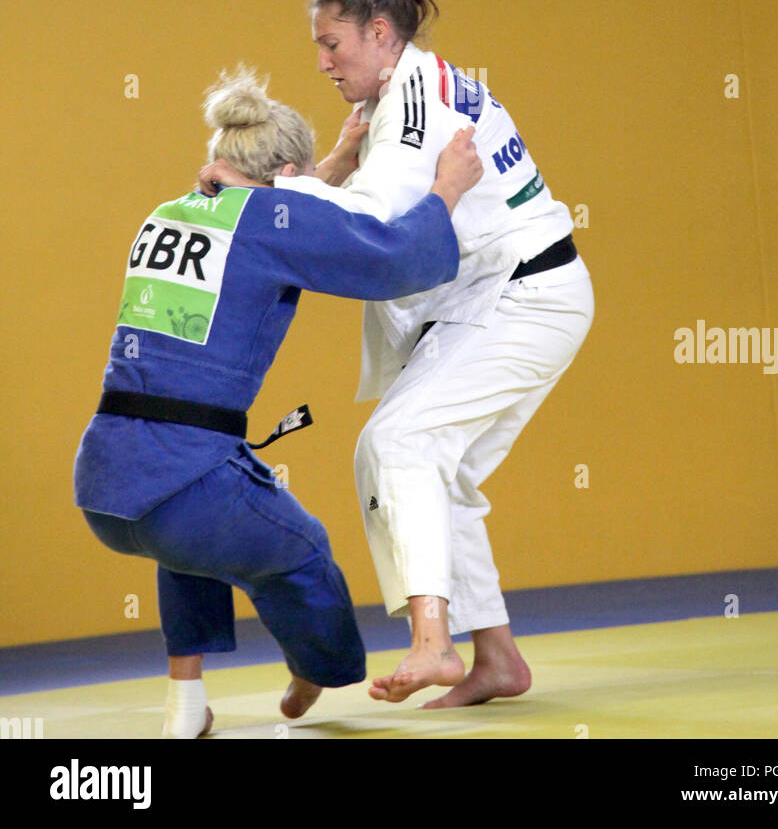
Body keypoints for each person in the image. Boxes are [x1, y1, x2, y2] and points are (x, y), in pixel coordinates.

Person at [202, 0, 595, 709]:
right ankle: (498, 660)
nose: (322, 63)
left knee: (400, 440)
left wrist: (264, 191)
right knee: (428, 466)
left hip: (523, 296)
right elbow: (372, 216)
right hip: (505, 300)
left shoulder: (417, 98)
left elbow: (376, 231)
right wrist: (330, 169)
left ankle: (433, 643)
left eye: (332, 45)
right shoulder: (404, 98)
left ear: (381, 34)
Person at [73, 64, 481, 737]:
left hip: (106, 485)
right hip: (185, 482)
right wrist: (446, 189)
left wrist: (331, 166)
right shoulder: (270, 222)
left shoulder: (168, 212)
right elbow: (392, 260)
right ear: (286, 176)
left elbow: (269, 219)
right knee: (304, 552)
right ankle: (314, 667)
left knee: (189, 540)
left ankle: (184, 707)